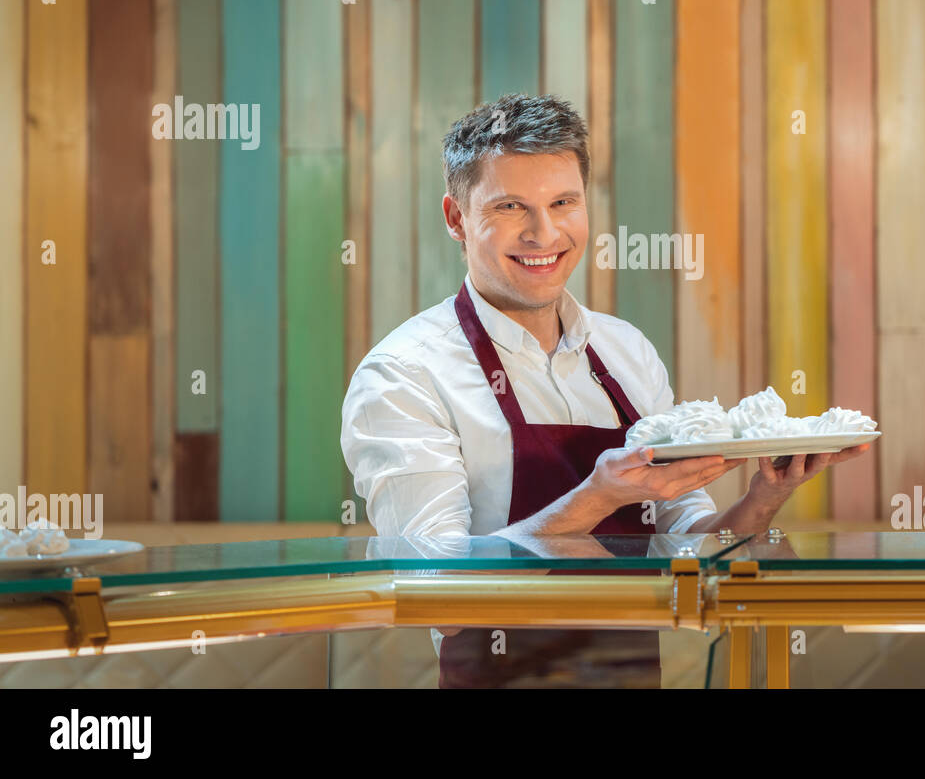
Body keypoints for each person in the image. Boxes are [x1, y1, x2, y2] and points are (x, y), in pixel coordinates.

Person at [340, 93, 870, 687]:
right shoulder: (404, 374)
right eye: (511, 206)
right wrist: (597, 496)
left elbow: (689, 550)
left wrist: (767, 496)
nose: (544, 233)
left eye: (563, 202)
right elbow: (432, 587)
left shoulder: (627, 352)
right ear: (456, 218)